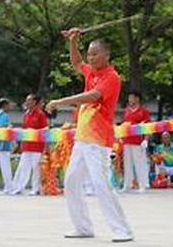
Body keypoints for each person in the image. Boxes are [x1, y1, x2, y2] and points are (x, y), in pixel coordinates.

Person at [46, 28, 133, 243]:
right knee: (71, 181)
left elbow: (93, 96)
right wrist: (73, 41)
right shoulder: (91, 73)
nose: (90, 57)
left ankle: (122, 230)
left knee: (101, 184)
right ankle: (83, 227)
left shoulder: (112, 77)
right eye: (89, 53)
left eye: (95, 53)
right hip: (82, 139)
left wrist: (60, 101)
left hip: (99, 140)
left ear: (106, 55)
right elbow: (76, 63)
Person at [11, 94, 48, 195]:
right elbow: (24, 129)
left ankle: (35, 189)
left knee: (36, 168)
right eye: (26, 101)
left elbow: (45, 130)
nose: (27, 103)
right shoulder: (26, 114)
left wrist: (45, 146)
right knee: (23, 167)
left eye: (29, 101)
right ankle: (19, 187)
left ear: (34, 102)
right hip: (26, 146)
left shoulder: (40, 114)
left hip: (37, 146)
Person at [120, 91, 151, 193]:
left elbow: (148, 127)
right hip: (127, 140)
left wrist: (146, 139)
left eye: (132, 98)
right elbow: (124, 125)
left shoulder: (143, 111)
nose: (130, 100)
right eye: (129, 98)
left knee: (140, 163)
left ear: (137, 99)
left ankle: (143, 184)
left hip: (138, 141)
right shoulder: (126, 111)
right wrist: (121, 135)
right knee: (127, 164)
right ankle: (127, 185)